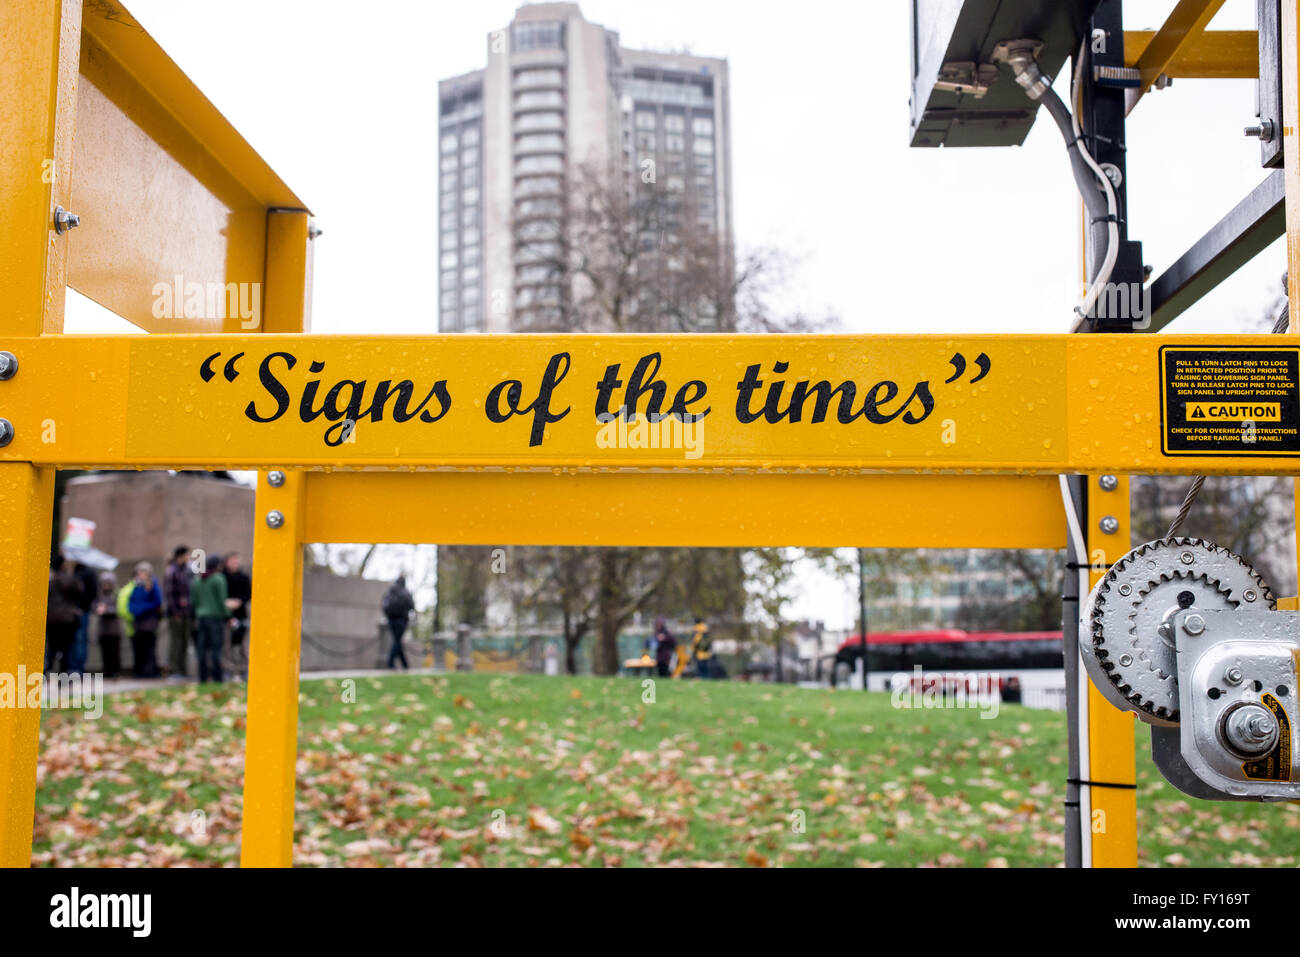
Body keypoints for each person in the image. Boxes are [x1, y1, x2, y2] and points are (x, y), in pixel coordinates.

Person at [190, 553, 228, 683]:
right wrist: (228, 615)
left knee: (202, 649)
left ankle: (203, 677)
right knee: (216, 649)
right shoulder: (218, 578)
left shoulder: (197, 580)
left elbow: (194, 601)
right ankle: (217, 677)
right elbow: (221, 600)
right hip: (215, 617)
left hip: (201, 618)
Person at [45, 555, 84, 673]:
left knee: (52, 648)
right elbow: (81, 592)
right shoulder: (71, 580)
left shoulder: (50, 582)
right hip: (67, 619)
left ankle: (47, 671)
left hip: (51, 619)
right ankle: (63, 675)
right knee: (66, 648)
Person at [127, 562, 163, 678]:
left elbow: (157, 602)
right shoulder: (136, 586)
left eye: (143, 572)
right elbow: (131, 602)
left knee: (149, 648)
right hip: (138, 622)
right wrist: (135, 609)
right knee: (139, 648)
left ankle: (150, 671)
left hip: (149, 621)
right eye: (139, 572)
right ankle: (140, 671)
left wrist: (143, 608)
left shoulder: (152, 585)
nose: (141, 574)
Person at [163, 545, 193, 678]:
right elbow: (169, 594)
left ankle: (183, 670)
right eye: (187, 555)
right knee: (176, 642)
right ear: (180, 556)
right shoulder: (172, 571)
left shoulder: (186, 570)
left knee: (184, 642)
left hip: (186, 612)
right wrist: (175, 611)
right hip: (176, 614)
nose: (189, 557)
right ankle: (174, 670)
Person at [68, 562, 97, 674]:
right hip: (70, 612)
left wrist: (82, 607)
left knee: (80, 639)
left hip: (81, 611)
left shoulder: (87, 573)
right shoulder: (72, 572)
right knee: (73, 641)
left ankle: (78, 669)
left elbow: (92, 593)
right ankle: (72, 668)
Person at [92, 572, 122, 678]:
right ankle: (107, 671)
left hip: (114, 629)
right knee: (105, 652)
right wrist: (97, 609)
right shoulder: (99, 596)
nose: (106, 586)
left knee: (115, 652)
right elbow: (93, 607)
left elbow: (119, 609)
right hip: (103, 629)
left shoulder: (116, 595)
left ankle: (115, 671)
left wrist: (106, 610)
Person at [381, 575, 415, 670]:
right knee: (397, 641)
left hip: (391, 620)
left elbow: (384, 604)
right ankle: (390, 662)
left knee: (397, 640)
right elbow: (411, 605)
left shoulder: (390, 591)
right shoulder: (405, 592)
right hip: (401, 620)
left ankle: (405, 664)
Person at [223, 552, 251, 662]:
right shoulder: (222, 577)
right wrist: (227, 602)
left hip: (240, 613)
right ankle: (228, 665)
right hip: (226, 614)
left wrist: (239, 602)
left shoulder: (243, 577)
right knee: (226, 641)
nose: (235, 564)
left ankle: (240, 664)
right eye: (233, 562)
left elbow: (248, 593)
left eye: (237, 562)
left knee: (240, 637)